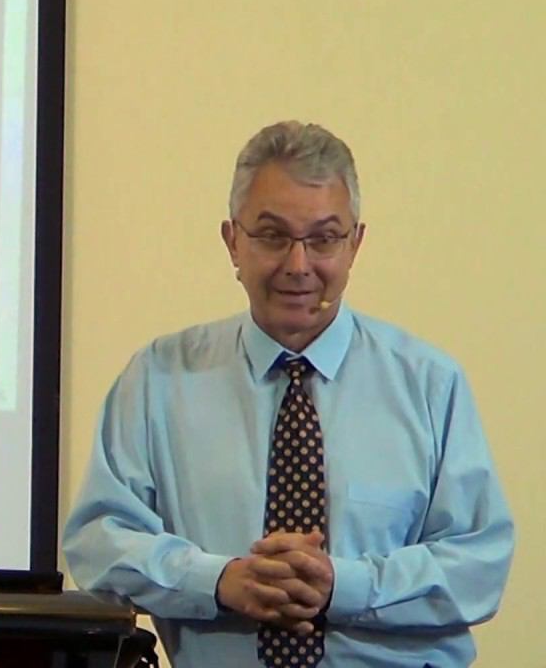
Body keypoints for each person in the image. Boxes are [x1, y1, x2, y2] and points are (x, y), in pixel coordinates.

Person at [62, 121, 514, 667]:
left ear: (355, 244)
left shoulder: (429, 384)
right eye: (272, 236)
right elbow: (100, 541)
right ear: (233, 241)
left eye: (324, 239)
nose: (298, 266)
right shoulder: (159, 378)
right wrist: (216, 581)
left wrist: (345, 585)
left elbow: (479, 566)